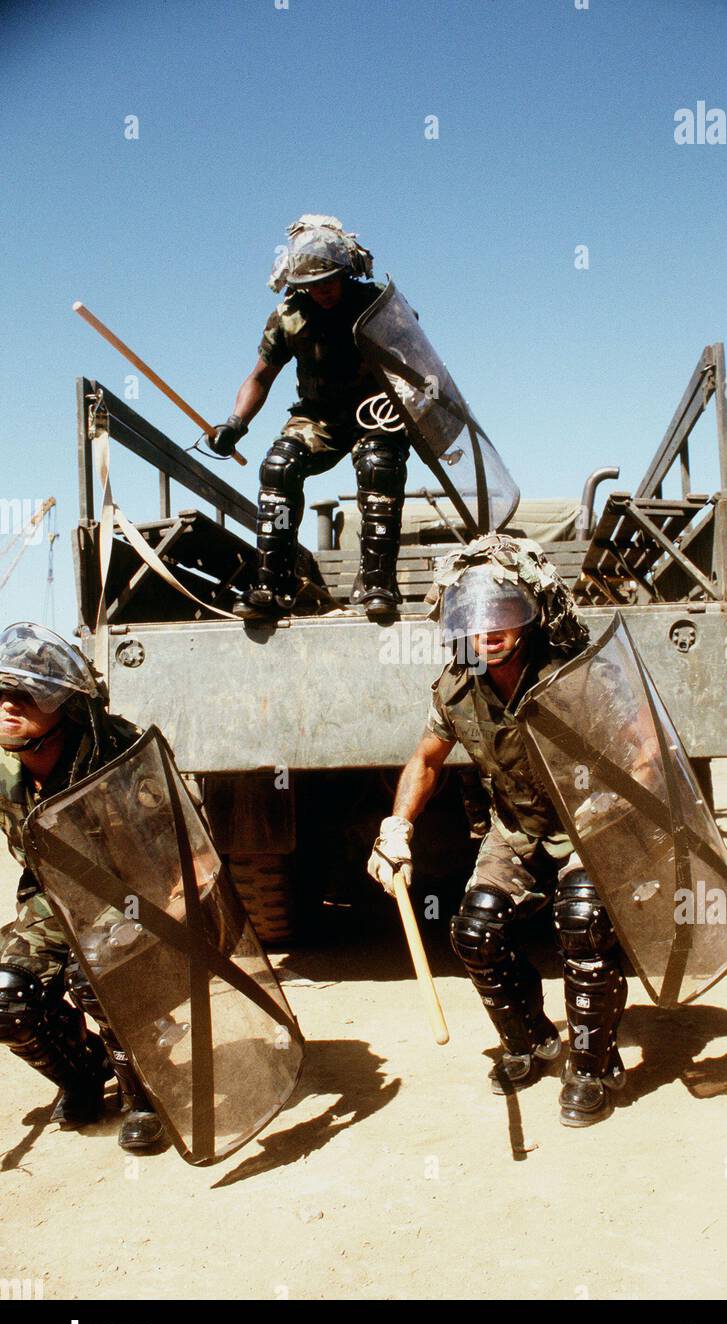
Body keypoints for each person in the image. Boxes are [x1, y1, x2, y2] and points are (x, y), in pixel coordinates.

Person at [368, 536, 628, 1127]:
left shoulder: (577, 676)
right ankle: (532, 1040)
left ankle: (593, 1064)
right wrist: (396, 827)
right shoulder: (457, 686)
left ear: (532, 615)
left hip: (587, 824)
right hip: (516, 829)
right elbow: (427, 761)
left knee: (583, 926)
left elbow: (642, 750)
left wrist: (619, 827)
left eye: (503, 614)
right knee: (474, 934)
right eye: (473, 617)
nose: (487, 631)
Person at [0, 623, 164, 1152]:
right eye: (0, 695)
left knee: (97, 972)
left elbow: (179, 848)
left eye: (23, 695)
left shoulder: (118, 751)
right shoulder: (4, 767)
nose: (7, 707)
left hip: (135, 896)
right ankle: (85, 1076)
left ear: (61, 704)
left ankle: (148, 1092)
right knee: (6, 996)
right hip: (53, 896)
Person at [209, 214, 410, 624]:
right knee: (278, 468)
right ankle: (274, 583)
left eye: (330, 282)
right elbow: (260, 377)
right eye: (313, 286)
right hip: (318, 419)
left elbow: (417, 364)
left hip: (376, 414)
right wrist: (235, 423)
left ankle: (377, 582)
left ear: (345, 274)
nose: (323, 292)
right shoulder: (289, 317)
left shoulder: (376, 305)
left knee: (379, 466)